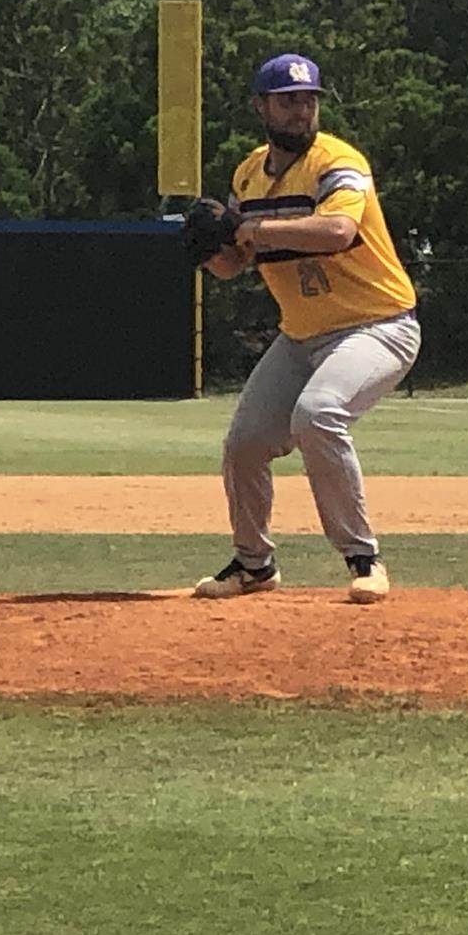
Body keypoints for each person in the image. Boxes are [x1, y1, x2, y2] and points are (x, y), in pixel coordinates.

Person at [185, 53, 421, 603]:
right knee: (244, 443)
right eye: (289, 100)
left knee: (318, 416)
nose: (301, 110)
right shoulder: (249, 173)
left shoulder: (337, 161)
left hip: (378, 325)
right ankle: (254, 565)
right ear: (260, 107)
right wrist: (204, 252)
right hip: (302, 336)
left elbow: (338, 230)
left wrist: (251, 228)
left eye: (309, 99)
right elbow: (235, 260)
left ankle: (364, 559)